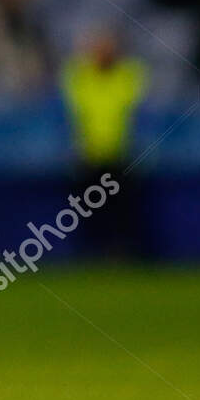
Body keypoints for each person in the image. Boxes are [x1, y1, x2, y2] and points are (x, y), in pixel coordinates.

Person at [60, 26, 148, 258]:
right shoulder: (80, 77)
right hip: (88, 157)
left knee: (124, 212)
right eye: (99, 47)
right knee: (87, 211)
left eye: (108, 47)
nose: (103, 52)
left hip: (120, 157)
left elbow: (138, 92)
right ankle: (91, 253)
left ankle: (121, 253)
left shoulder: (127, 76)